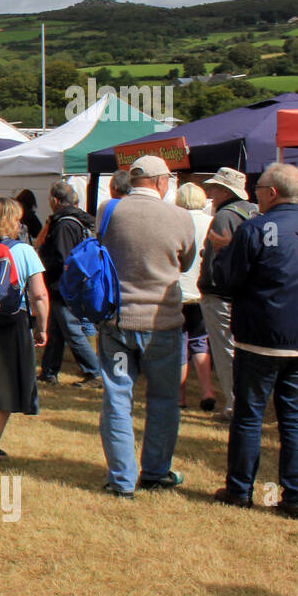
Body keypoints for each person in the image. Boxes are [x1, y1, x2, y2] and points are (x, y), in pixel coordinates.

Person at [209, 163, 298, 519]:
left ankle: (240, 490)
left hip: (261, 335)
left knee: (249, 414)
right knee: (295, 417)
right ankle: (297, 498)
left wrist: (225, 253)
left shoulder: (255, 229)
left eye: (258, 188)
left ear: (272, 192)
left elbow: (227, 282)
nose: (254, 193)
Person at [98, 156, 196, 498]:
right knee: (164, 400)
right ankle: (155, 471)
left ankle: (122, 480)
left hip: (117, 320)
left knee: (117, 399)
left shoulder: (109, 210)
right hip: (162, 322)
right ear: (161, 181)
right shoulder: (180, 216)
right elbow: (186, 260)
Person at [0, 197, 50, 464]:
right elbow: (39, 296)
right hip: (12, 323)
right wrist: (42, 328)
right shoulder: (24, 252)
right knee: (5, 387)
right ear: (13, 220)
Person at [197, 167, 257, 421]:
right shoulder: (253, 211)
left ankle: (235, 408)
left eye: (213, 188)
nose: (210, 193)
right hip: (247, 295)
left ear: (224, 190)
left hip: (222, 296)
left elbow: (215, 261)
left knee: (226, 354)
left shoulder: (225, 217)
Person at [37, 181, 101, 387]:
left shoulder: (64, 224)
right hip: (67, 285)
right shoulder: (77, 219)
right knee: (56, 329)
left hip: (63, 286)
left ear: (55, 200)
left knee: (72, 331)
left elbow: (63, 259)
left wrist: (45, 265)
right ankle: (49, 371)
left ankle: (94, 372)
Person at [174, 183, 216, 411]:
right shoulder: (211, 222)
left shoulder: (175, 221)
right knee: (200, 342)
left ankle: (180, 397)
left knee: (179, 343)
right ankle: (207, 391)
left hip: (179, 292)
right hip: (202, 292)